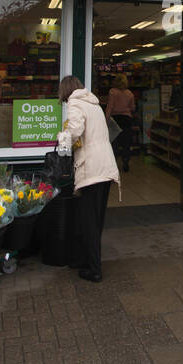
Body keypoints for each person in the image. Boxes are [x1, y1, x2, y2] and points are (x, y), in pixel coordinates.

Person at [58, 75, 119, 282]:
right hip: (106, 165)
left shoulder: (75, 102)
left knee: (88, 221)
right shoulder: (94, 103)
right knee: (96, 218)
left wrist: (62, 140)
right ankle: (87, 260)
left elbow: (75, 129)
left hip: (92, 168)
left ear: (66, 91)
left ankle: (94, 269)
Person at [104, 74, 137, 173]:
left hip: (115, 119)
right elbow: (133, 108)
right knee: (126, 142)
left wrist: (106, 120)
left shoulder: (112, 92)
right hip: (126, 119)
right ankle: (126, 161)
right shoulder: (130, 93)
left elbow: (109, 107)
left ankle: (113, 164)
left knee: (114, 141)